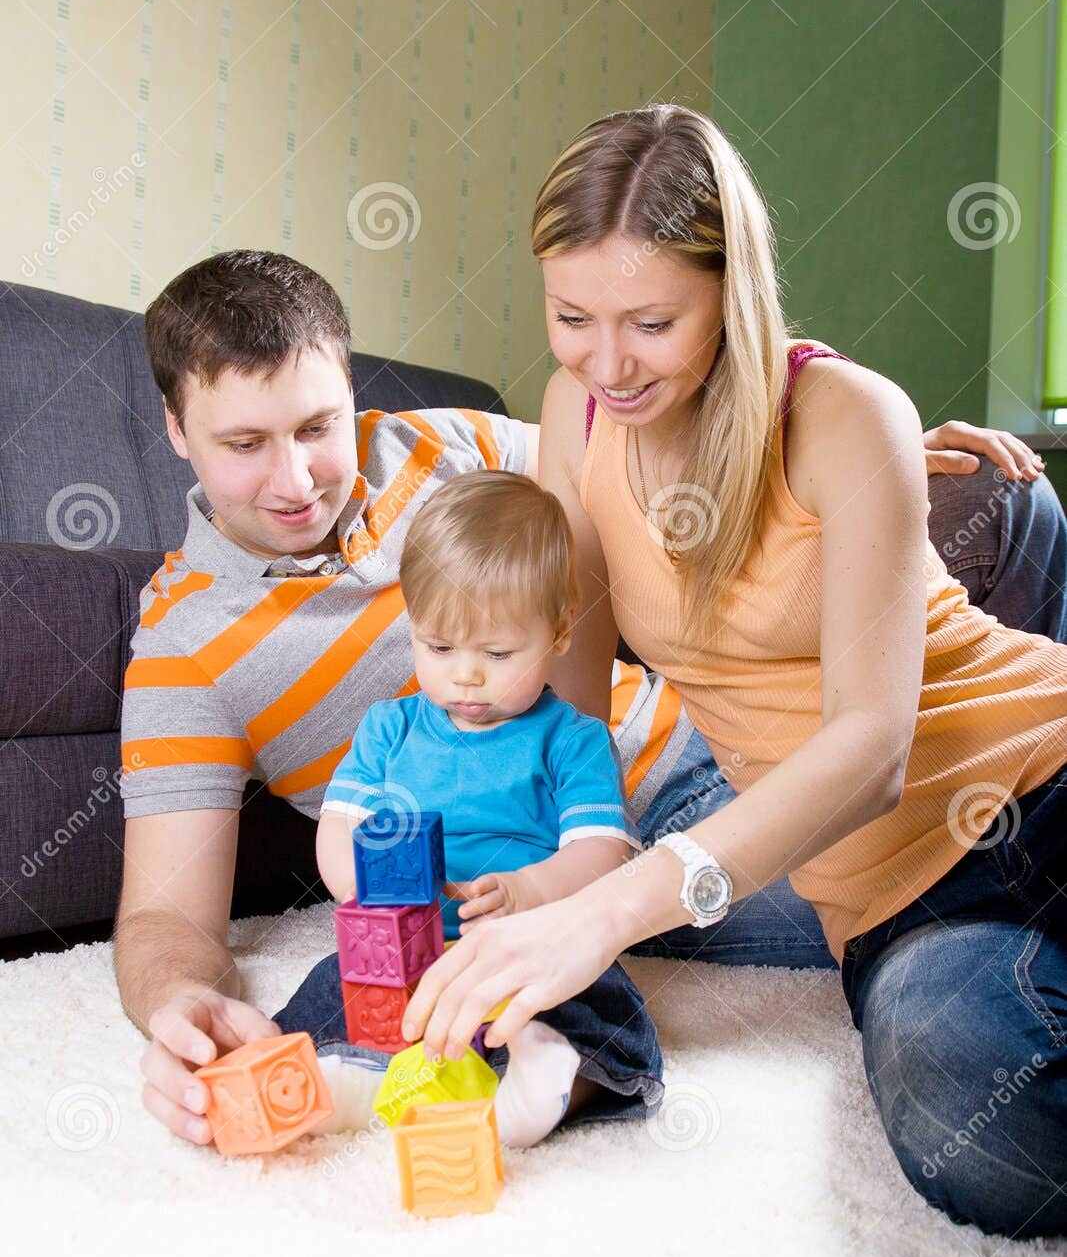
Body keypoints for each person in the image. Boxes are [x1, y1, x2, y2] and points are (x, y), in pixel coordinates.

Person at [121, 248, 1065, 1171]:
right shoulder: (185, 641)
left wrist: (875, 458)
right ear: (175, 427)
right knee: (943, 962)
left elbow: (679, 445)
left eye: (318, 427)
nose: (295, 481)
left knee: (1009, 511)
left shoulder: (463, 450)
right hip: (546, 879)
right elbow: (163, 918)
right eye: (244, 445)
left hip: (701, 768)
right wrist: (178, 1005)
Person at [400, 104, 1067, 1240]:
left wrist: (608, 908)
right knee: (973, 1123)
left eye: (652, 321)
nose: (605, 361)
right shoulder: (577, 416)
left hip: (1038, 772)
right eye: (571, 316)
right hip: (899, 902)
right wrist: (533, 891)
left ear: (732, 294)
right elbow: (564, 697)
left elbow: (869, 749)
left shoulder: (845, 416)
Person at [273, 468, 662, 1146]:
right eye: (439, 646)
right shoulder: (388, 729)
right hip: (402, 948)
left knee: (601, 1009)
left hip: (523, 947)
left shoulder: (571, 740)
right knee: (328, 988)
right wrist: (366, 897)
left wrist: (531, 889)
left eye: (497, 651)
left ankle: (548, 1082)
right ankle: (349, 1072)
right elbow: (340, 826)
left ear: (559, 632)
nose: (465, 674)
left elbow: (600, 852)